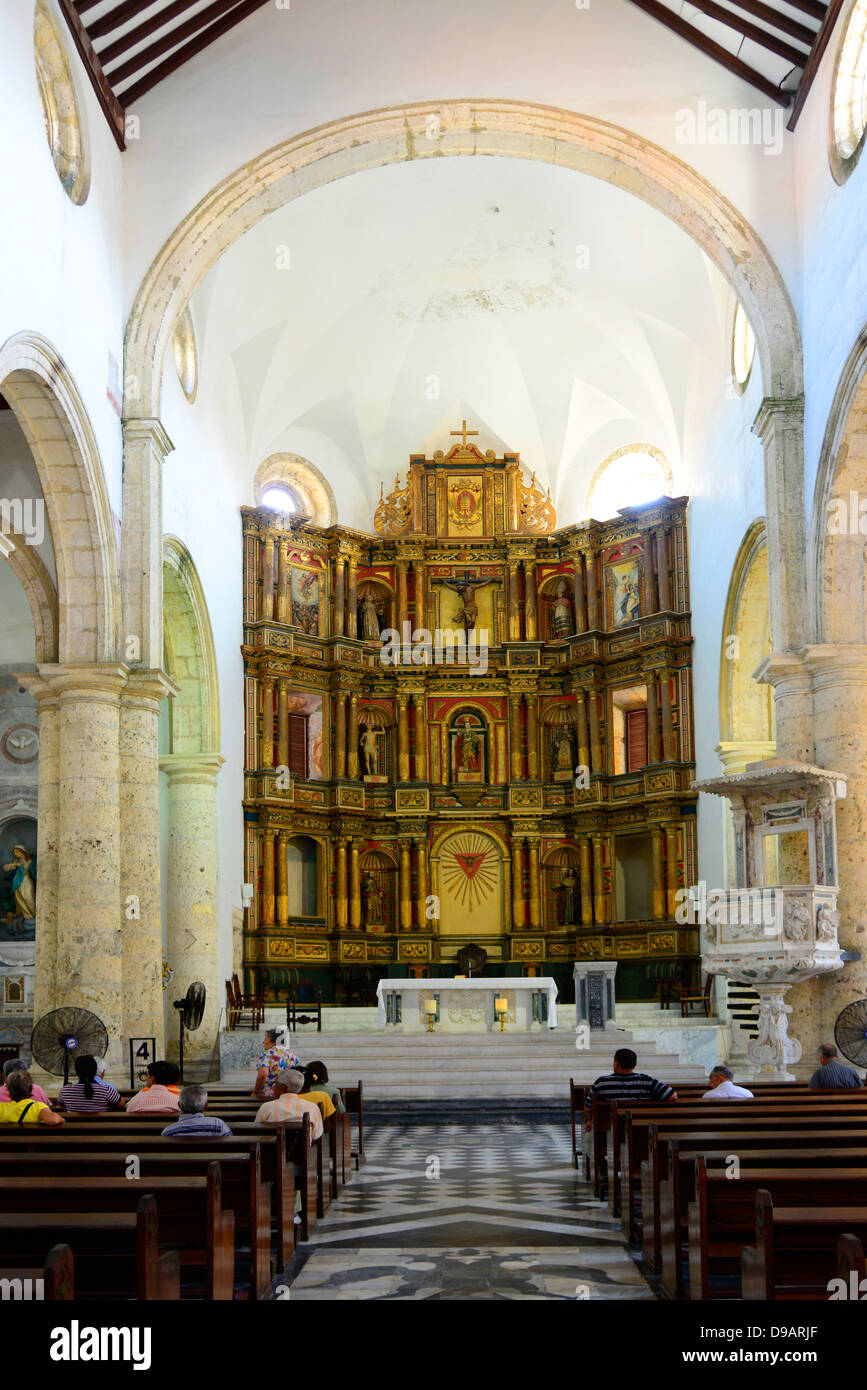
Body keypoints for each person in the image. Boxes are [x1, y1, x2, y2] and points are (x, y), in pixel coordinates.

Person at [584, 1047, 678, 1123]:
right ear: (635, 1064)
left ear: (616, 1064)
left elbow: (588, 1108)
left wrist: (588, 1121)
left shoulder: (601, 1083)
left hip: (612, 1129)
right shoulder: (646, 1081)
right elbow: (672, 1096)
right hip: (642, 1126)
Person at [254, 1069, 323, 1141]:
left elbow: (257, 1131)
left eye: (275, 1084)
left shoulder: (266, 1107)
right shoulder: (312, 1108)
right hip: (302, 1151)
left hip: (272, 1150)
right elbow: (315, 1135)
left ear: (283, 1088)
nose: (273, 1087)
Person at [56, 1055, 124, 1113]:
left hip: (74, 1128)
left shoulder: (65, 1091)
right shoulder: (106, 1090)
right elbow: (121, 1103)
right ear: (95, 1072)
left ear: (77, 1072)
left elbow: (60, 1104)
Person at [161, 1085, 233, 1138]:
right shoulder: (218, 1125)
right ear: (205, 1106)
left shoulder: (169, 1132)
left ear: (179, 1106)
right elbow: (231, 1144)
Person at [253, 1028, 301, 1098]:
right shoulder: (294, 1057)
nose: (263, 1042)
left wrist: (256, 1091)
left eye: (265, 1038)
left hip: (268, 1095)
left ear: (274, 1042)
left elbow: (263, 1075)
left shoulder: (266, 1055)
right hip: (287, 1096)